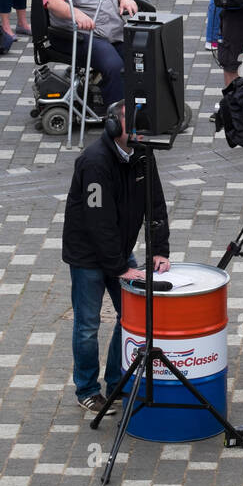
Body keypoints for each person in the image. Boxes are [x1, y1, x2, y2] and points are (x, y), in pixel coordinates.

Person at [62, 99, 170, 416]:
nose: (140, 129)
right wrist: (121, 268)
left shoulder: (142, 156)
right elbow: (99, 223)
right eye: (133, 122)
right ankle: (87, 390)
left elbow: (156, 204)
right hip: (88, 258)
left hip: (118, 253)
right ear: (113, 125)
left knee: (132, 318)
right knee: (87, 325)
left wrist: (160, 248)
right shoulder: (94, 163)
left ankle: (115, 383)